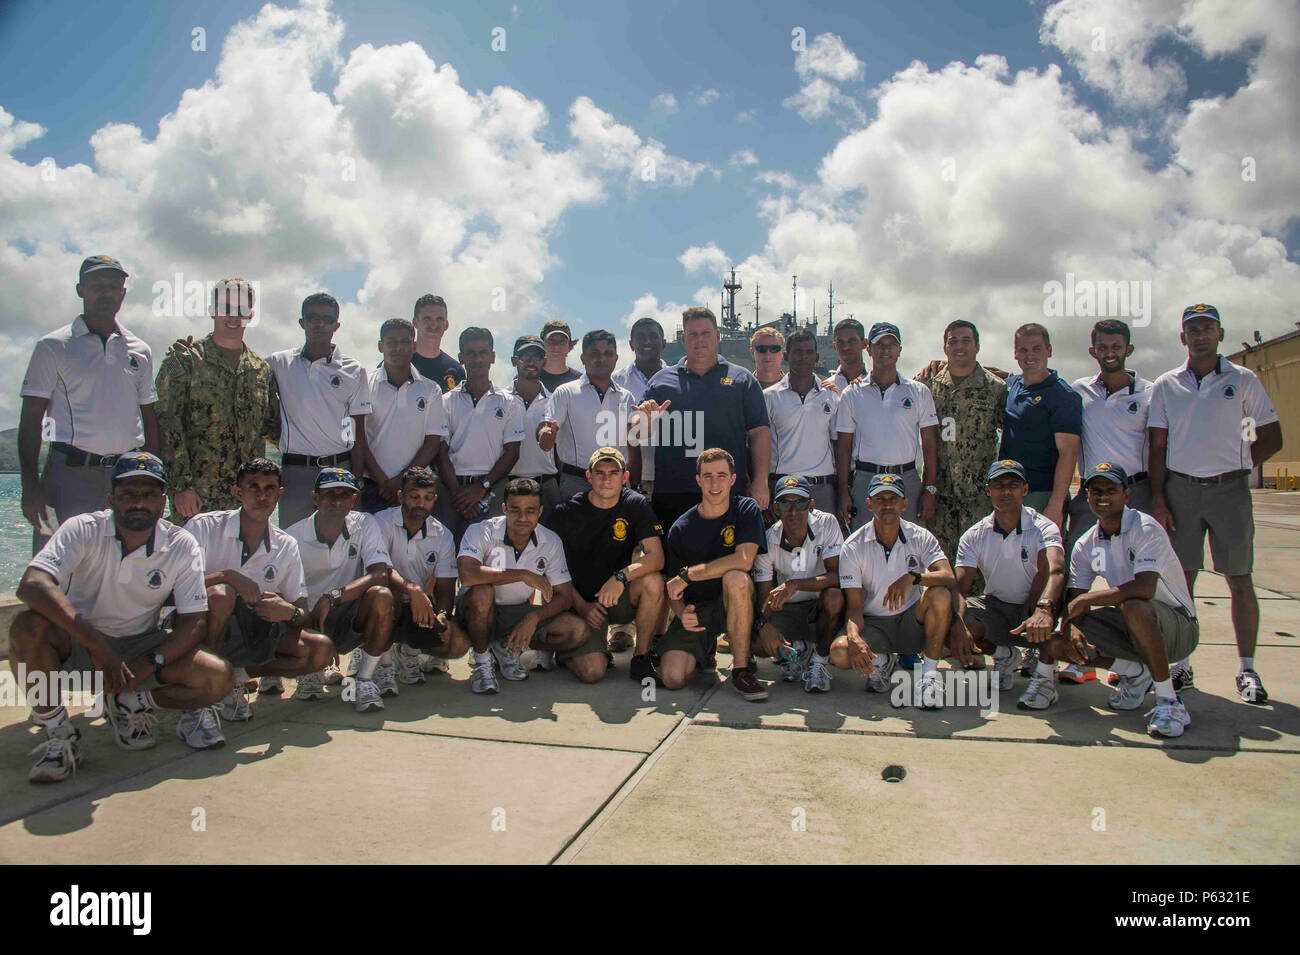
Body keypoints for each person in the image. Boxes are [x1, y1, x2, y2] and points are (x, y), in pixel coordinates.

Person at [9, 452, 223, 782]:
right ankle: (59, 735)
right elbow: (32, 584)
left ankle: (129, 700)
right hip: (80, 644)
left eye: (149, 494)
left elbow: (194, 620)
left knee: (216, 679)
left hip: (141, 645)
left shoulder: (182, 544)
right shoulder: (81, 529)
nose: (139, 503)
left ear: (163, 501)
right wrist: (96, 644)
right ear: (111, 498)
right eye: (128, 494)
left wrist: (150, 663)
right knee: (27, 627)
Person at [1149, 303, 1282, 703]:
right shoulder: (1167, 384)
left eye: (1208, 328)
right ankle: (1182, 665)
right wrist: (1159, 498)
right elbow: (1157, 446)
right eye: (1193, 329)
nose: (1201, 335)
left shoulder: (1243, 380)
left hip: (1230, 491)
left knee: (1239, 577)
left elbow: (1272, 435)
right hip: (1182, 490)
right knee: (1181, 583)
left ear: (1220, 334)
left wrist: (1240, 465)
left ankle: (1247, 669)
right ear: (1182, 337)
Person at [179, 459, 335, 743]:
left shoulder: (285, 544)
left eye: (269, 489)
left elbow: (302, 610)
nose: (261, 496)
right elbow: (172, 588)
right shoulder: (203, 528)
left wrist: (287, 611)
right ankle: (200, 702)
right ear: (237, 492)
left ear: (279, 495)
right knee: (222, 595)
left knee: (320, 650)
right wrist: (229, 577)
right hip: (197, 629)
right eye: (253, 488)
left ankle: (232, 679)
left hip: (251, 631)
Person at [19, 255, 160, 553]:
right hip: (69, 475)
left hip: (126, 475)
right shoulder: (53, 346)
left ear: (123, 293)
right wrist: (30, 487)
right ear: (80, 290)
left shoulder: (140, 350)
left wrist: (156, 480)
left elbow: (149, 418)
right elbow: (31, 420)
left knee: (123, 560)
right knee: (56, 561)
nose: (106, 292)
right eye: (97, 285)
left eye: (113, 285)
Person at [1049, 462, 1200, 738]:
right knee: (1057, 643)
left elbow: (1144, 588)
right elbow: (1075, 597)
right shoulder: (1086, 543)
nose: (1102, 496)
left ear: (1126, 495)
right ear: (1087, 496)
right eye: (1095, 491)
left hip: (1178, 627)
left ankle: (1169, 701)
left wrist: (1089, 599)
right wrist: (1071, 627)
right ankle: (1133, 673)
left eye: (1111, 490)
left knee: (1134, 605)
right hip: (1133, 625)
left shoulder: (1145, 528)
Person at [1058, 319, 1154, 685]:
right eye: (1103, 346)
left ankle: (1135, 658)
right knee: (1076, 573)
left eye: (1117, 346)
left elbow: (1160, 446)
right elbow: (1034, 381)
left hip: (1136, 492)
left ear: (1128, 349)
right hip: (1091, 495)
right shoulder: (1079, 391)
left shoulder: (1151, 392)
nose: (1110, 352)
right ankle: (1078, 656)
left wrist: (1158, 498)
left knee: (1131, 578)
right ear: (1092, 350)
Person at [630, 307, 771, 531]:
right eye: (693, 334)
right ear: (684, 339)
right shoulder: (660, 381)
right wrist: (645, 419)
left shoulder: (742, 379)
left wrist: (760, 481)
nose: (699, 340)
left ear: (717, 335)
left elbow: (759, 433)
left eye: (705, 333)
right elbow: (637, 433)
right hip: (674, 493)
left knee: (730, 562)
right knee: (676, 564)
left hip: (728, 490)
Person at [155, 279, 280, 522]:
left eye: (241, 310)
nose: (233, 317)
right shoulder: (183, 362)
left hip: (247, 501)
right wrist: (180, 487)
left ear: (251, 315)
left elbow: (271, 429)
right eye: (226, 308)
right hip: (196, 498)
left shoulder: (261, 370)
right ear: (212, 310)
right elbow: (167, 426)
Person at [948, 460, 1066, 711]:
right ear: (988, 489)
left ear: (1025, 490)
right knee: (952, 619)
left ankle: (1045, 680)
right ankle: (1005, 656)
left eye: (1013, 485)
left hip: (1035, 606)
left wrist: (1043, 609)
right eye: (998, 485)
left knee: (1051, 593)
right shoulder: (974, 534)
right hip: (998, 607)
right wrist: (957, 623)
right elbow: (959, 587)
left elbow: (1055, 570)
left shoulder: (1043, 526)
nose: (1005, 492)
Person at [831, 473, 956, 708]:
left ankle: (928, 678)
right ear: (869, 503)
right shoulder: (853, 546)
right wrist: (854, 637)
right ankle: (882, 661)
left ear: (904, 504)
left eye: (893, 498)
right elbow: (854, 607)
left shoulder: (920, 536)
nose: (887, 504)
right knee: (839, 652)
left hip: (912, 620)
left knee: (940, 594)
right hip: (876, 624)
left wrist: (914, 578)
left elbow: (949, 577)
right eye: (880, 498)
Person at [546, 448, 666, 684]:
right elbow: (550, 572)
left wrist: (621, 577)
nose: (606, 479)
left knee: (653, 581)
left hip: (615, 596)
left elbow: (656, 557)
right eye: (599, 473)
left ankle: (641, 658)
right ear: (588, 477)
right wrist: (581, 607)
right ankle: (568, 651)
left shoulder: (635, 504)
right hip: (580, 603)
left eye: (613, 473)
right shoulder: (566, 512)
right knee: (593, 673)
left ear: (625, 477)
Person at [456, 478, 587, 692]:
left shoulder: (550, 540)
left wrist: (533, 617)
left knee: (577, 631)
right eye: (515, 510)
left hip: (517, 611)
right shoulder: (482, 530)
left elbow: (564, 595)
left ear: (540, 511)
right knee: (482, 592)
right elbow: (467, 574)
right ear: (504, 508)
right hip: (475, 611)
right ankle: (482, 663)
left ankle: (506, 647)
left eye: (531, 511)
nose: (523, 518)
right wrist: (523, 575)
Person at [656, 449, 767, 700]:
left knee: (736, 578)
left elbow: (744, 560)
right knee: (672, 678)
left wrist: (689, 575)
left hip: (737, 603)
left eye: (721, 475)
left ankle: (741, 671)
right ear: (698, 480)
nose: (714, 483)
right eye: (707, 476)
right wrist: (681, 611)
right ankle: (704, 650)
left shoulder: (746, 509)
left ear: (732, 479)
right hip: (701, 607)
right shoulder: (681, 528)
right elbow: (672, 585)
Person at [283, 469, 396, 709]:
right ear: (315, 498)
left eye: (345, 495)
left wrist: (332, 597)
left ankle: (364, 679)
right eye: (329, 494)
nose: (337, 501)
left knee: (382, 596)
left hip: (343, 612)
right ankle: (310, 668)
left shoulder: (365, 523)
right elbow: (284, 593)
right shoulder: (292, 537)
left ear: (353, 500)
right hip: (307, 620)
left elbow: (380, 574)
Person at [266, 293, 373, 528]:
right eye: (312, 317)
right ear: (302, 322)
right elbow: (243, 366)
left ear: (336, 325)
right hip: (295, 472)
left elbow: (358, 434)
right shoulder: (278, 363)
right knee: (292, 544)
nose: (319, 324)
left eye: (326, 319)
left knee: (343, 546)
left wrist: (355, 482)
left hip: (339, 470)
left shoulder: (354, 370)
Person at [835, 322, 939, 529]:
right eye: (879, 344)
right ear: (869, 349)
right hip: (866, 479)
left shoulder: (919, 392)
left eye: (892, 344)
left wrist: (930, 489)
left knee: (911, 546)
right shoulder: (852, 393)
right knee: (864, 546)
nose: (885, 350)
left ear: (899, 350)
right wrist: (843, 490)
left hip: (906, 478)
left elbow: (929, 444)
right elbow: (844, 447)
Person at [920, 320, 1008, 564]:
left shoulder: (995, 388)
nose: (960, 347)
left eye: (966, 341)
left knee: (979, 562)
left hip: (979, 496)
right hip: (939, 493)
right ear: (945, 347)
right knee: (940, 562)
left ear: (977, 346)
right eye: (953, 341)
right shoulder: (927, 384)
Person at [372, 467, 471, 683]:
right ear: (400, 496)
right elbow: (379, 570)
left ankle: (408, 652)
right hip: (382, 604)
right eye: (414, 496)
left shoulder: (443, 534)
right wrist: (412, 589)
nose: (420, 503)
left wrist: (443, 615)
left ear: (435, 499)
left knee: (458, 644)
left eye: (427, 498)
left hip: (419, 608)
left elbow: (446, 588)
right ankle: (384, 664)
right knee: (388, 594)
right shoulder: (380, 522)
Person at [752, 475, 844, 693]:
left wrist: (794, 584)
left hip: (820, 607)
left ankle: (819, 662)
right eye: (785, 503)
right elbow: (765, 595)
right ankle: (797, 649)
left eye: (800, 503)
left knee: (834, 597)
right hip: (788, 609)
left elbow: (837, 576)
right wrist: (763, 627)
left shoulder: (827, 523)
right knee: (756, 645)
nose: (793, 511)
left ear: (811, 505)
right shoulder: (768, 539)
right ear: (776, 507)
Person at [435, 327, 525, 546]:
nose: (477, 359)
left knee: (491, 554)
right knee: (447, 556)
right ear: (461, 358)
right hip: (451, 491)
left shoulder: (510, 402)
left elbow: (512, 453)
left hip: (492, 489)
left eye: (483, 352)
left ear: (493, 357)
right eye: (470, 353)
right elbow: (440, 451)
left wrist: (482, 487)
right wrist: (458, 494)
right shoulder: (446, 401)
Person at [997, 323, 1081, 535]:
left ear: (1049, 350)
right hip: (1008, 492)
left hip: (1042, 494)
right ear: (1015, 353)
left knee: (1044, 563)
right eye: (1023, 350)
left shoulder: (1063, 396)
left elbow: (1068, 453)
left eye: (1036, 348)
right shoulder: (1011, 385)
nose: (1029, 355)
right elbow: (982, 372)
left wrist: (1055, 505)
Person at [361, 318, 447, 513]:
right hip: (373, 486)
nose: (398, 347)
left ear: (414, 346)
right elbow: (359, 438)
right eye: (391, 342)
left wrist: (401, 481)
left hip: (414, 489)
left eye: (405, 342)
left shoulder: (431, 389)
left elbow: (432, 442)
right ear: (380, 346)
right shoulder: (363, 383)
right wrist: (384, 482)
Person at [539, 329, 634, 500]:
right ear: (583, 358)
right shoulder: (565, 392)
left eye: (608, 353)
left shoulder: (626, 397)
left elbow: (635, 439)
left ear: (616, 358)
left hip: (615, 481)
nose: (602, 359)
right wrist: (545, 436)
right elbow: (546, 428)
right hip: (576, 482)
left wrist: (647, 423)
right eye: (595, 354)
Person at [764, 330, 840, 514]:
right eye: (797, 352)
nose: (803, 357)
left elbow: (839, 445)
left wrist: (842, 489)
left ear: (817, 356)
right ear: (787, 356)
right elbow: (758, 446)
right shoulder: (768, 398)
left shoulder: (832, 396)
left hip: (821, 488)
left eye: (808, 352)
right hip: (782, 487)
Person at [613, 317, 667, 497]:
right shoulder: (615, 382)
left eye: (653, 336)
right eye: (641, 337)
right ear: (630, 344)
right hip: (627, 478)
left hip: (670, 476)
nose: (647, 341)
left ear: (664, 343)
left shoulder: (679, 381)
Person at [508, 335, 561, 520]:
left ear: (544, 361)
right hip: (509, 484)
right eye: (525, 356)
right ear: (514, 360)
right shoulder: (499, 399)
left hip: (546, 484)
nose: (531, 362)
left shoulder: (556, 400)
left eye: (537, 357)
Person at [410, 294, 466, 392]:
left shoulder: (456, 371)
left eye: (439, 319)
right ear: (415, 322)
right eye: (427, 319)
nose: (433, 325)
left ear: (446, 325)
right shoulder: (397, 364)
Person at [539, 318, 583, 392]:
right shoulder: (529, 378)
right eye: (551, 341)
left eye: (562, 341)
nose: (556, 346)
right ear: (542, 345)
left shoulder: (581, 381)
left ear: (570, 346)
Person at [824, 318, 866, 391]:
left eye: (852, 341)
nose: (846, 347)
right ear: (834, 346)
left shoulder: (877, 384)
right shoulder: (826, 389)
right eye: (840, 342)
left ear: (864, 344)